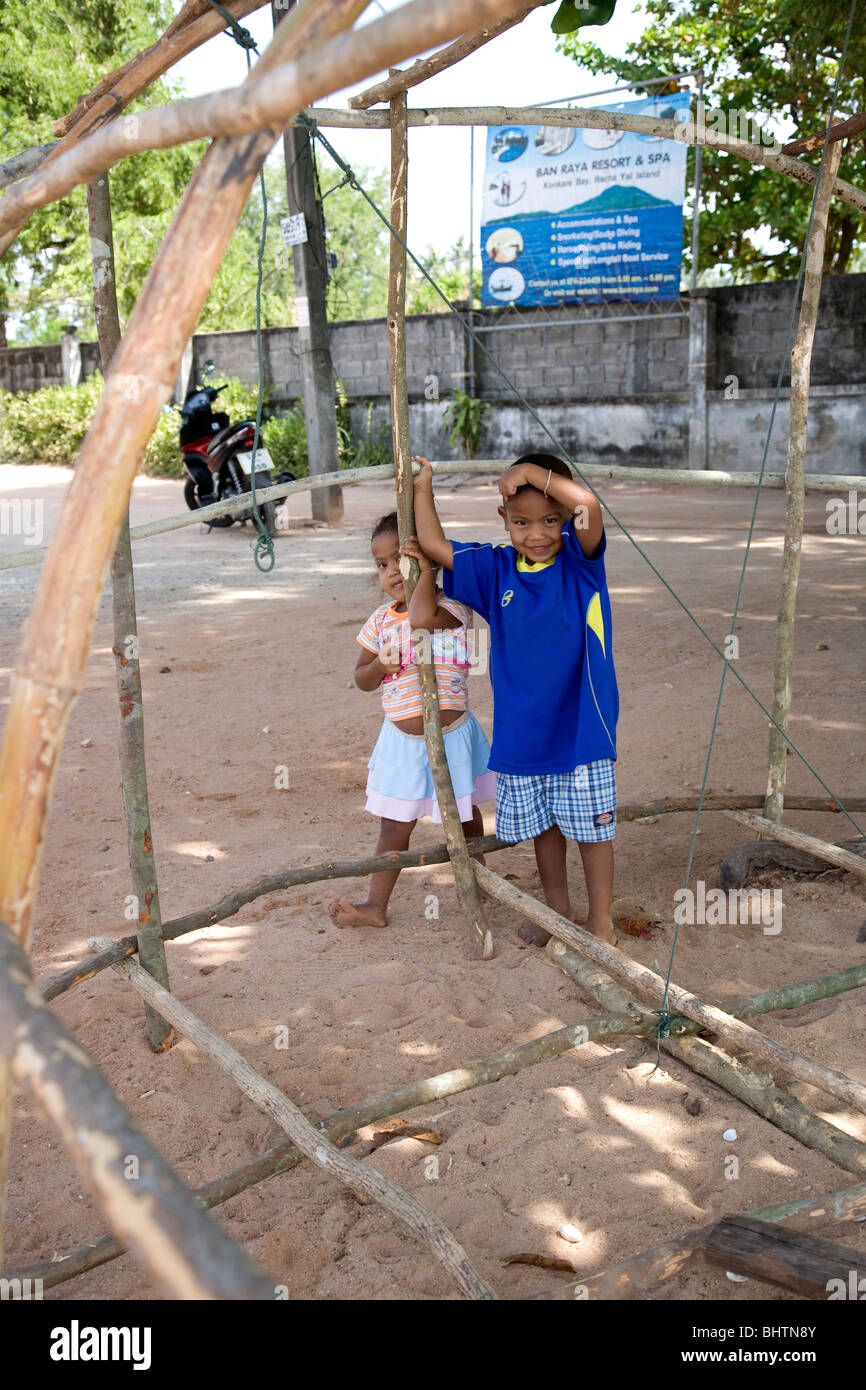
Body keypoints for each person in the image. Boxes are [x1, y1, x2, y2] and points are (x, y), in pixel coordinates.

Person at [412, 453, 619, 948]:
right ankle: (557, 909)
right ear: (503, 518)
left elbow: (589, 502)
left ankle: (603, 922)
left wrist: (530, 475)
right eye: (522, 522)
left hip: (582, 726)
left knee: (592, 829)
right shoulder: (495, 567)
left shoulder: (582, 562)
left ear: (566, 519)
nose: (538, 534)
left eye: (550, 519)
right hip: (522, 730)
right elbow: (436, 545)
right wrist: (423, 488)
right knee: (545, 828)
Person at [330, 511, 495, 929]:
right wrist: (381, 667)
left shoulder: (453, 609)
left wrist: (424, 572)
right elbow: (360, 679)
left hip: (452, 736)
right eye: (381, 565)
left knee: (465, 817)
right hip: (403, 743)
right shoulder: (380, 622)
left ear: (428, 560)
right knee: (394, 829)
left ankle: (479, 883)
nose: (389, 573)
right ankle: (375, 905)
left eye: (400, 560)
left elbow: (422, 616)